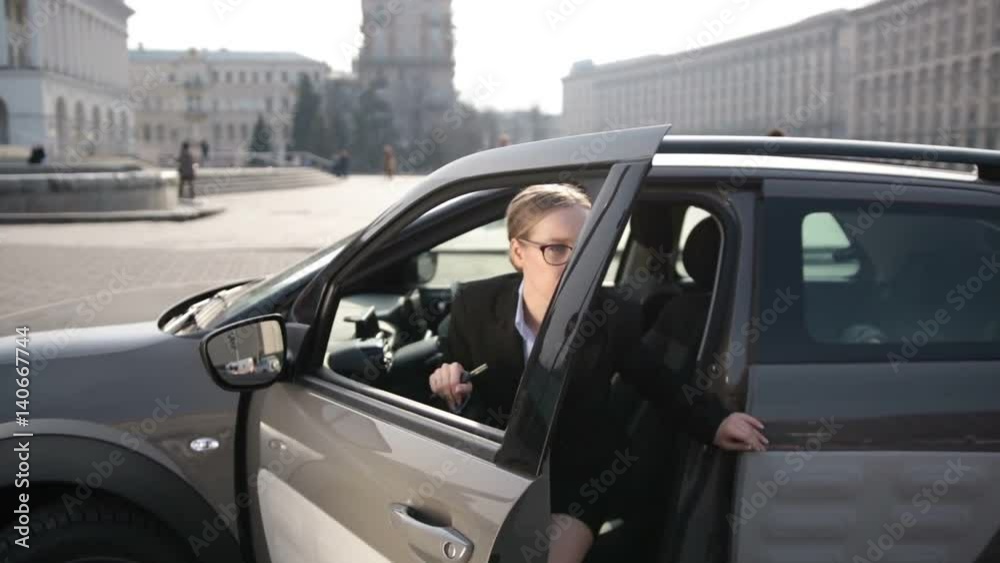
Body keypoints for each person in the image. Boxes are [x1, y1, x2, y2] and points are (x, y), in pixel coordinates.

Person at [429, 183, 767, 563]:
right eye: (557, 249)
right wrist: (449, 387)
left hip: (583, 480)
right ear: (518, 252)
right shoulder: (474, 305)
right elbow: (459, 382)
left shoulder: (613, 314)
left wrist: (715, 423)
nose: (578, 264)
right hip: (498, 476)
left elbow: (658, 381)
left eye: (587, 248)